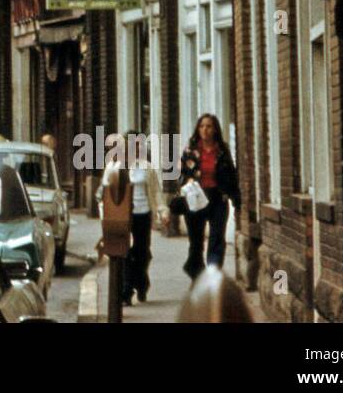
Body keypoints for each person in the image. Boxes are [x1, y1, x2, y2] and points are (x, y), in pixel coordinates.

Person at [98, 132, 166, 306]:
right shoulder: (113, 166)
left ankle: (142, 283)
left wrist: (162, 210)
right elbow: (103, 194)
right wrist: (105, 217)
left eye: (138, 145)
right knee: (125, 252)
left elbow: (156, 191)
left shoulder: (147, 167)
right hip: (121, 215)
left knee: (142, 252)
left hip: (142, 213)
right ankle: (126, 291)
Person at [178, 113, 241, 280]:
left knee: (216, 239)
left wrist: (234, 197)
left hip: (217, 199)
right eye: (202, 126)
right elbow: (181, 175)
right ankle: (196, 273)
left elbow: (231, 174)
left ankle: (213, 275)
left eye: (209, 126)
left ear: (215, 130)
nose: (205, 130)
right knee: (196, 242)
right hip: (196, 198)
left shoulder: (222, 150)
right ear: (198, 129)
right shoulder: (190, 151)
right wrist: (187, 183)